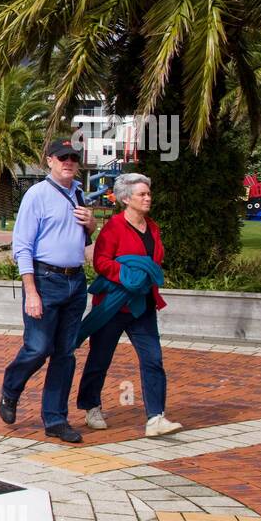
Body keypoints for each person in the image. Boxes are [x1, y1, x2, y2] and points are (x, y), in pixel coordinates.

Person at [0, 141, 98, 443]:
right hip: (45, 279)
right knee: (38, 348)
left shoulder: (79, 193)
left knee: (65, 354)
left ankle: (55, 419)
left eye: (73, 158)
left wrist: (92, 225)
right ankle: (11, 388)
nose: (69, 162)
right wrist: (31, 291)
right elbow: (23, 246)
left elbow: (81, 240)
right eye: (63, 157)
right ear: (50, 161)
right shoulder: (37, 195)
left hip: (75, 282)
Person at [76, 173, 182, 437]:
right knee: (100, 358)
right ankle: (91, 406)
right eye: (142, 194)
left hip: (143, 305)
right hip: (113, 306)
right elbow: (101, 262)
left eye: (148, 194)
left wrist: (144, 273)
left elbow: (155, 261)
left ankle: (156, 417)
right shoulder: (114, 227)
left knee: (153, 360)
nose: (148, 198)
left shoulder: (153, 227)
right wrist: (128, 274)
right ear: (126, 199)